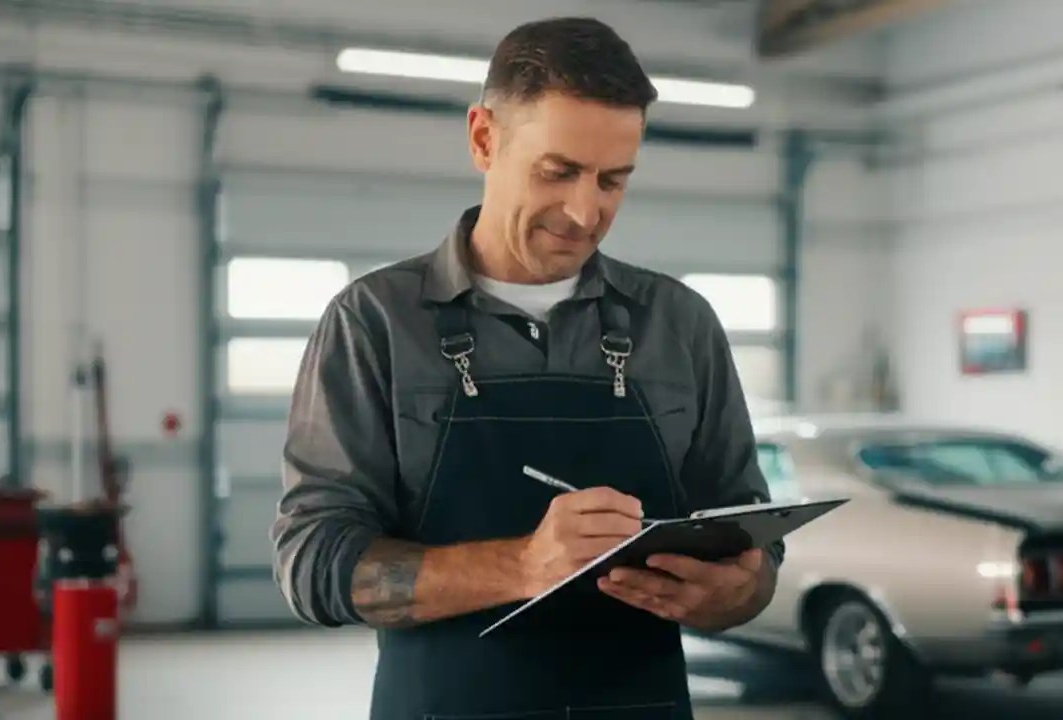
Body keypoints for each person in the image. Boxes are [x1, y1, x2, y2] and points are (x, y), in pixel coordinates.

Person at [271, 16, 782, 720]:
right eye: (559, 172)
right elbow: (312, 564)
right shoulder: (375, 324)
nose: (584, 211)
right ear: (484, 138)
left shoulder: (680, 324)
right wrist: (522, 565)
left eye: (613, 180)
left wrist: (739, 594)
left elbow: (751, 536)